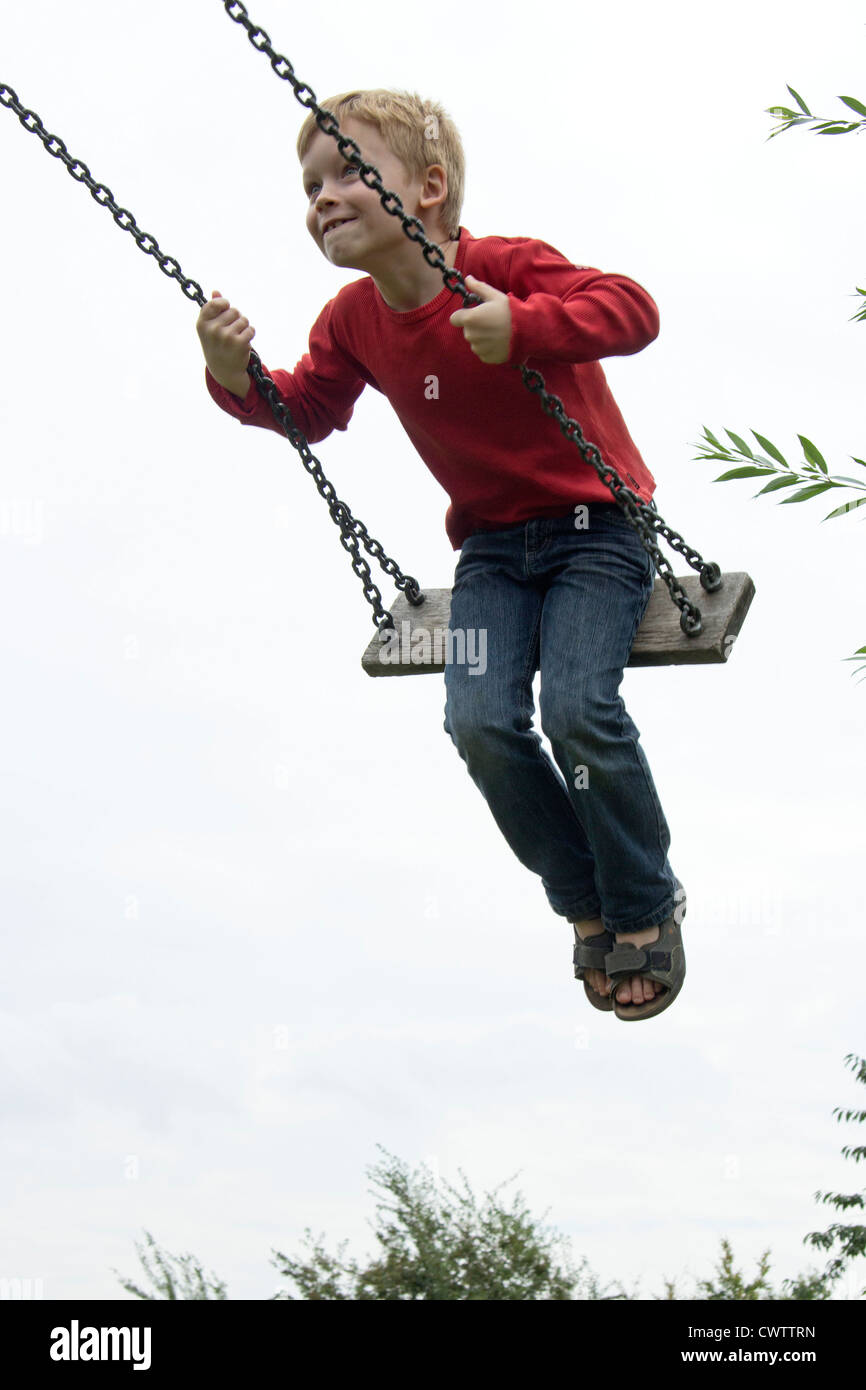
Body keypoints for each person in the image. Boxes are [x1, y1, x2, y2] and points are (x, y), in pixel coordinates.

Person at [195, 88, 686, 1022]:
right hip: (492, 556)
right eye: (309, 185)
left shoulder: (503, 268)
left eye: (345, 171)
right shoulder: (352, 319)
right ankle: (584, 896)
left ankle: (644, 903)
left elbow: (633, 309)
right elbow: (308, 411)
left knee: (576, 708)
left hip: (598, 532)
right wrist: (233, 375)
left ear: (427, 188)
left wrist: (526, 325)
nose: (322, 196)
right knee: (478, 720)